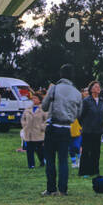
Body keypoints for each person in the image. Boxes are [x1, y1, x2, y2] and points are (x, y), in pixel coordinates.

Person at [40, 65, 82, 197]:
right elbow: (79, 113)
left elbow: (44, 106)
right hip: (66, 129)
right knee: (63, 160)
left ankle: (50, 188)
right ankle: (63, 189)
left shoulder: (54, 89)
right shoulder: (77, 92)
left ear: (61, 74)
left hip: (53, 127)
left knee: (50, 159)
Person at [78, 81, 103, 176]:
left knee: (96, 151)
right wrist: (82, 125)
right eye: (96, 86)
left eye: (99, 87)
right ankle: (83, 171)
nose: (98, 88)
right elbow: (80, 115)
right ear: (91, 89)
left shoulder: (102, 101)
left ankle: (94, 170)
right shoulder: (86, 101)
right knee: (86, 151)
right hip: (88, 130)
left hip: (98, 130)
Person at [22, 93, 47, 167]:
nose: (33, 99)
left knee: (39, 149)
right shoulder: (28, 109)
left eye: (35, 98)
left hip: (38, 133)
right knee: (29, 149)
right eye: (33, 98)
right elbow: (23, 119)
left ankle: (42, 161)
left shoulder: (43, 109)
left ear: (40, 100)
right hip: (29, 132)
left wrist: (42, 127)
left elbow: (46, 120)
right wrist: (25, 126)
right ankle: (31, 164)